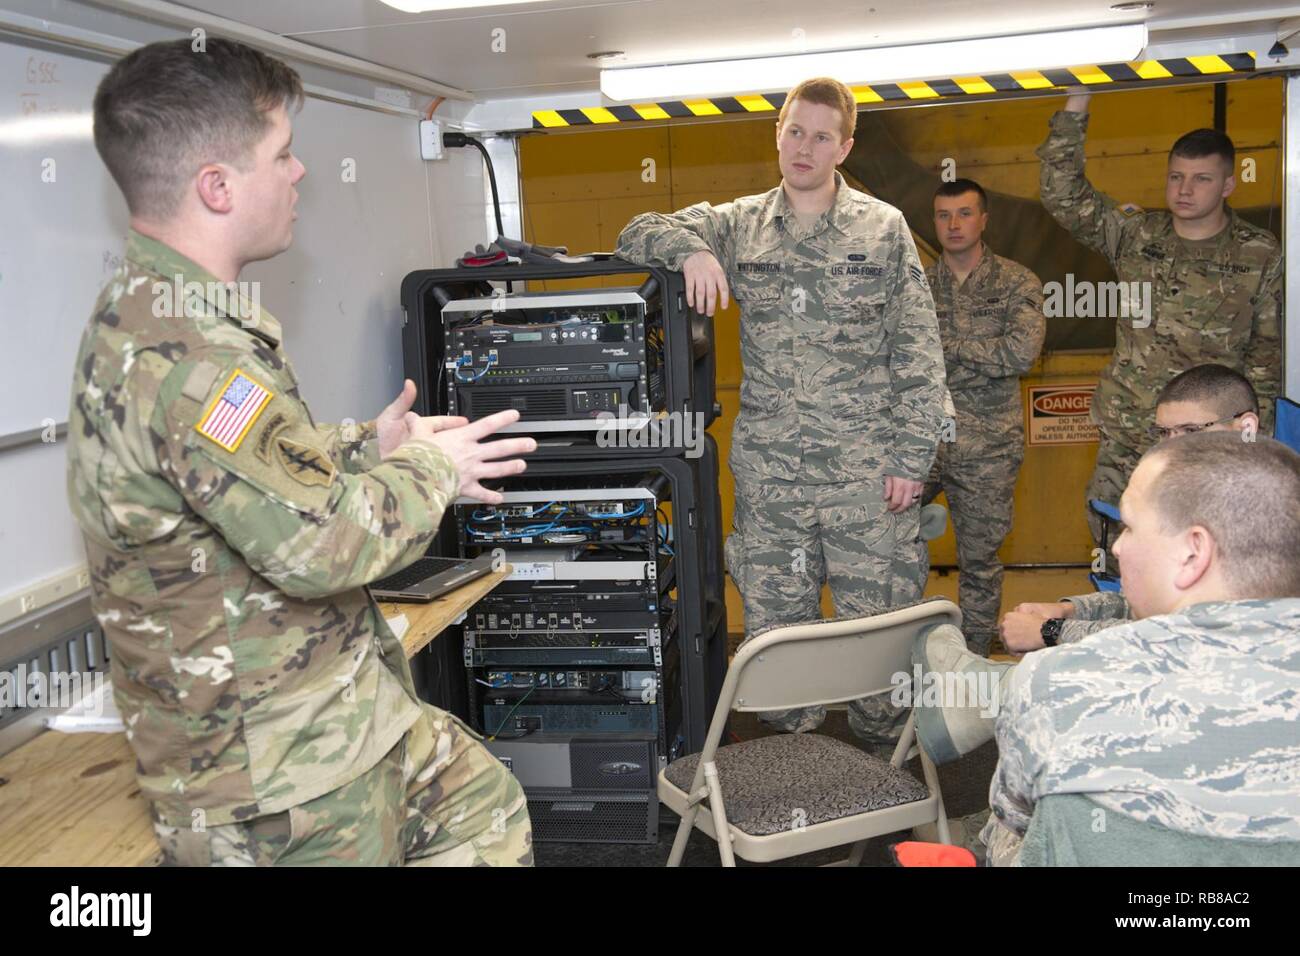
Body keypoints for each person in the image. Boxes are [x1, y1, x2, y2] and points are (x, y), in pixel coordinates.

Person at [67, 38, 536, 866]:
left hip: (339, 724)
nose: (300, 173)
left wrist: (370, 445)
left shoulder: (178, 319)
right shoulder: (185, 355)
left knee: (481, 811)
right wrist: (435, 468)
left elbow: (248, 465)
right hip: (275, 781)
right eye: (281, 155)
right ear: (217, 187)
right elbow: (323, 545)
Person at [615, 77, 948, 752]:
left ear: (845, 145)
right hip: (773, 481)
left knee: (878, 640)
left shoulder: (881, 228)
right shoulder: (740, 224)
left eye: (822, 135)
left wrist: (913, 461)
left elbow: (919, 350)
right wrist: (695, 251)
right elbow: (636, 232)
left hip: (867, 480)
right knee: (776, 637)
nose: (804, 147)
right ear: (777, 132)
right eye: (794, 130)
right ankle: (791, 775)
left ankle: (885, 782)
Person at [915, 433, 1300, 864]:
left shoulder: (1055, 682)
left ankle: (974, 690)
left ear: (1194, 553)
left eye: (1130, 526)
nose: (1115, 546)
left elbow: (1018, 819)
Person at [1037, 91, 1282, 553]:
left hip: (1206, 446)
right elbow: (1063, 193)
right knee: (1115, 554)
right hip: (1129, 434)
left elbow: (1265, 360)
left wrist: (1252, 447)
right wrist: (1077, 100)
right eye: (1176, 177)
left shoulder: (1259, 254)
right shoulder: (1137, 235)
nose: (1184, 190)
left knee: (1203, 560)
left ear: (1228, 185)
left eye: (1201, 179)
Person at [999, 363, 1262, 652]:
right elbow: (1155, 598)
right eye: (1165, 433)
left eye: (1190, 430)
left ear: (1245, 427)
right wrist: (1069, 610)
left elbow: (1177, 634)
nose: (1171, 449)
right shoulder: (1202, 498)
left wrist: (1051, 631)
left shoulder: (1263, 512)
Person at [924, 179, 1044, 655]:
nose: (953, 225)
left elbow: (1020, 353)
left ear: (984, 219)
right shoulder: (916, 285)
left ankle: (972, 661)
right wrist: (976, 354)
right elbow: (897, 355)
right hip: (922, 442)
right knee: (891, 549)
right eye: (943, 215)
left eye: (965, 213)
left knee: (980, 562)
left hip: (988, 447)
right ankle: (909, 649)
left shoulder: (1017, 281)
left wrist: (945, 348)